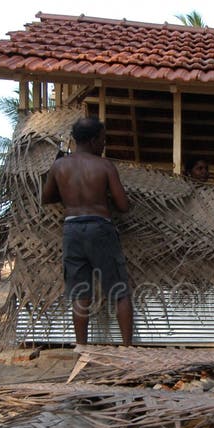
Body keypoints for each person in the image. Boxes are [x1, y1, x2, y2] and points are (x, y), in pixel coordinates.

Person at [42, 117, 133, 347]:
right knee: (119, 291)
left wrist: (70, 195)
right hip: (100, 228)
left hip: (72, 229)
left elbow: (46, 197)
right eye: (102, 140)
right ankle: (128, 349)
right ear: (93, 140)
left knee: (80, 292)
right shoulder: (104, 166)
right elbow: (123, 206)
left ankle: (81, 349)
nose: (104, 145)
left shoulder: (59, 166)